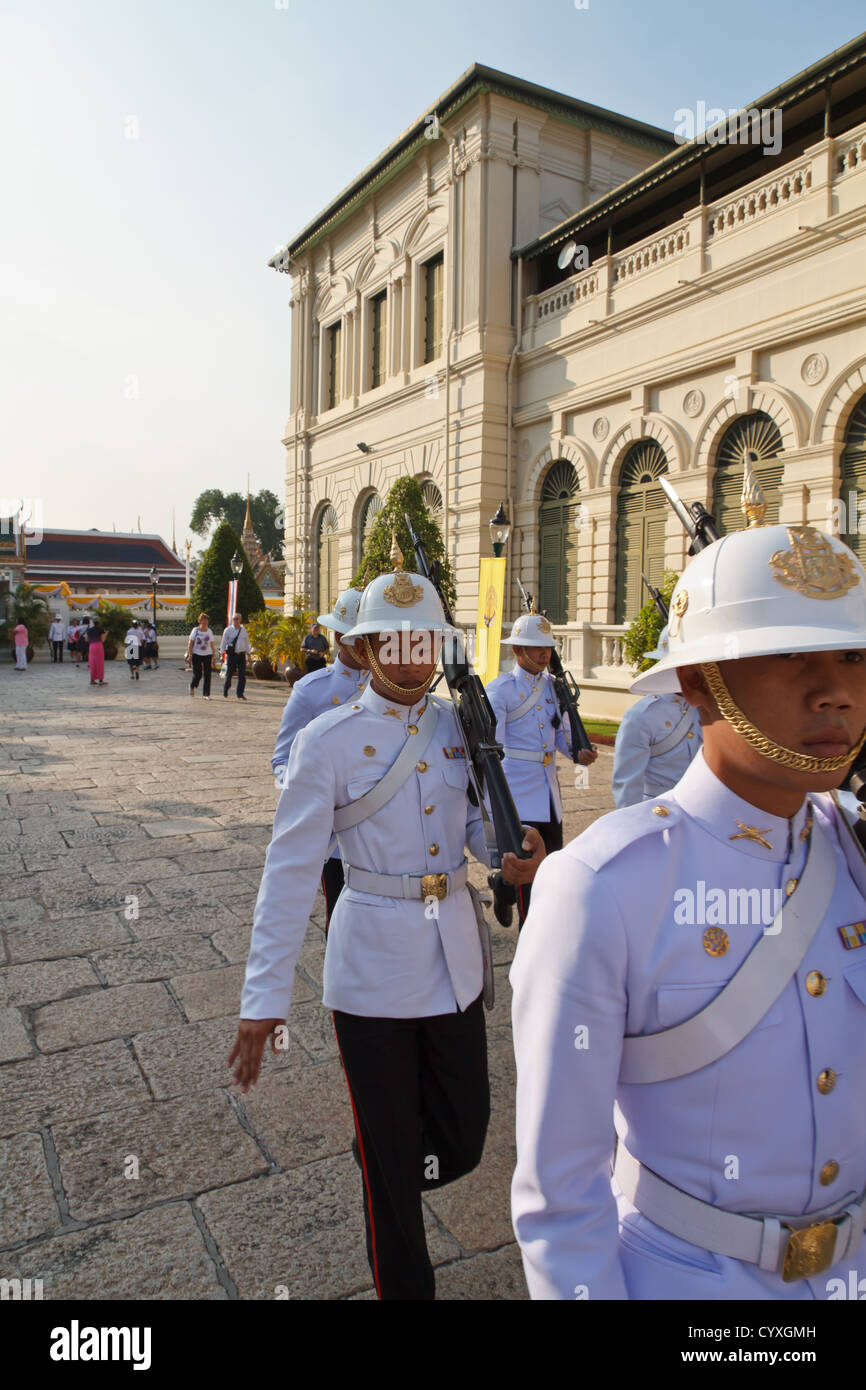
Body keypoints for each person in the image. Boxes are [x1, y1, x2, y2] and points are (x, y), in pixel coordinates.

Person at [511, 521, 866, 1300]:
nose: (835, 687)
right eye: (787, 653)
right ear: (701, 678)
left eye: (853, 656)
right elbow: (560, 1197)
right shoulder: (603, 887)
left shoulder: (856, 854)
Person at [230, 542, 546, 1300]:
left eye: (424, 644)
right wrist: (262, 1001)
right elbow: (290, 872)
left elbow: (470, 825)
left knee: (465, 1135)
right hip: (371, 966)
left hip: (455, 958)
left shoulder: (454, 726)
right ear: (367, 646)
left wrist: (505, 851)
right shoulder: (327, 742)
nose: (410, 661)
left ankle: (385, 1153)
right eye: (393, 645)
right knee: (394, 1178)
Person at [486, 611, 597, 915]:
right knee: (526, 880)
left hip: (549, 794)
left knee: (550, 870)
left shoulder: (553, 687)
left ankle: (503, 888)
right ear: (517, 650)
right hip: (518, 793)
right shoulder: (501, 690)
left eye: (547, 646)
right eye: (536, 646)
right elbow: (491, 751)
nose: (544, 652)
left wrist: (577, 752)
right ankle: (518, 912)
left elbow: (560, 733)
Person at [271, 587, 369, 924]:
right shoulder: (312, 691)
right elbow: (282, 760)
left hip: (387, 828)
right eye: (362, 637)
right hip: (337, 835)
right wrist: (309, 799)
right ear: (341, 637)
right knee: (340, 921)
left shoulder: (391, 689)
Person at [612, 624, 703, 807]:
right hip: (657, 809)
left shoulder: (708, 707)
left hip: (701, 806)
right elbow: (627, 785)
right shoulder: (641, 716)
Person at [220, 612, 251, 701]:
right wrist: (222, 655)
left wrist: (248, 656)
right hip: (231, 655)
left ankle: (240, 694)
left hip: (241, 655)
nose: (236, 620)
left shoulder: (243, 630)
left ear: (240, 620)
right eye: (234, 619)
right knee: (229, 674)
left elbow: (247, 643)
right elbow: (223, 643)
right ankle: (226, 689)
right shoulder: (228, 630)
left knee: (242, 675)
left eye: (237, 619)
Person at [187, 614, 215, 698]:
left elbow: (212, 644)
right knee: (198, 674)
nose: (205, 622)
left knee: (208, 675)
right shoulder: (195, 630)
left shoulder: (209, 631)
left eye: (206, 620)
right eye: (203, 620)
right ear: (199, 621)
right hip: (196, 654)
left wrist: (213, 657)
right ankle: (192, 686)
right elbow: (190, 644)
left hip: (207, 654)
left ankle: (206, 694)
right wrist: (190, 655)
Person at [86, 620, 106, 685]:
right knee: (100, 663)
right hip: (98, 646)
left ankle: (92, 679)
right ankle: (100, 680)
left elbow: (86, 639)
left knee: (92, 663)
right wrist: (106, 634)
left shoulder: (89, 630)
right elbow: (102, 640)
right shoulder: (101, 629)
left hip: (91, 646)